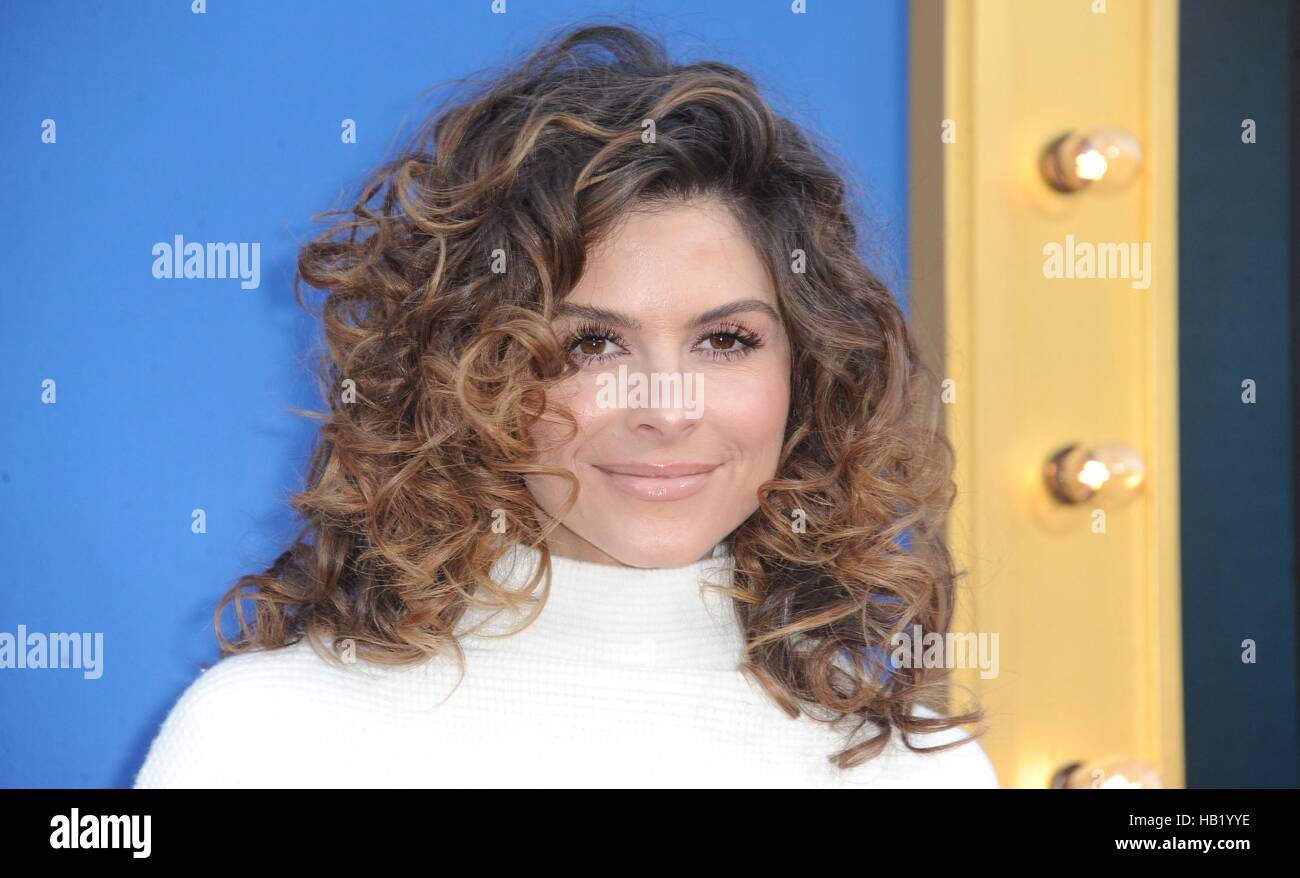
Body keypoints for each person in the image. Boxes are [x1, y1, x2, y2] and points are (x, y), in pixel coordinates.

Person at [134, 22, 998, 788]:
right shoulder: (266, 740)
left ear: (802, 375)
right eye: (591, 344)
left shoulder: (907, 769)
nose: (666, 408)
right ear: (472, 375)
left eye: (725, 340)